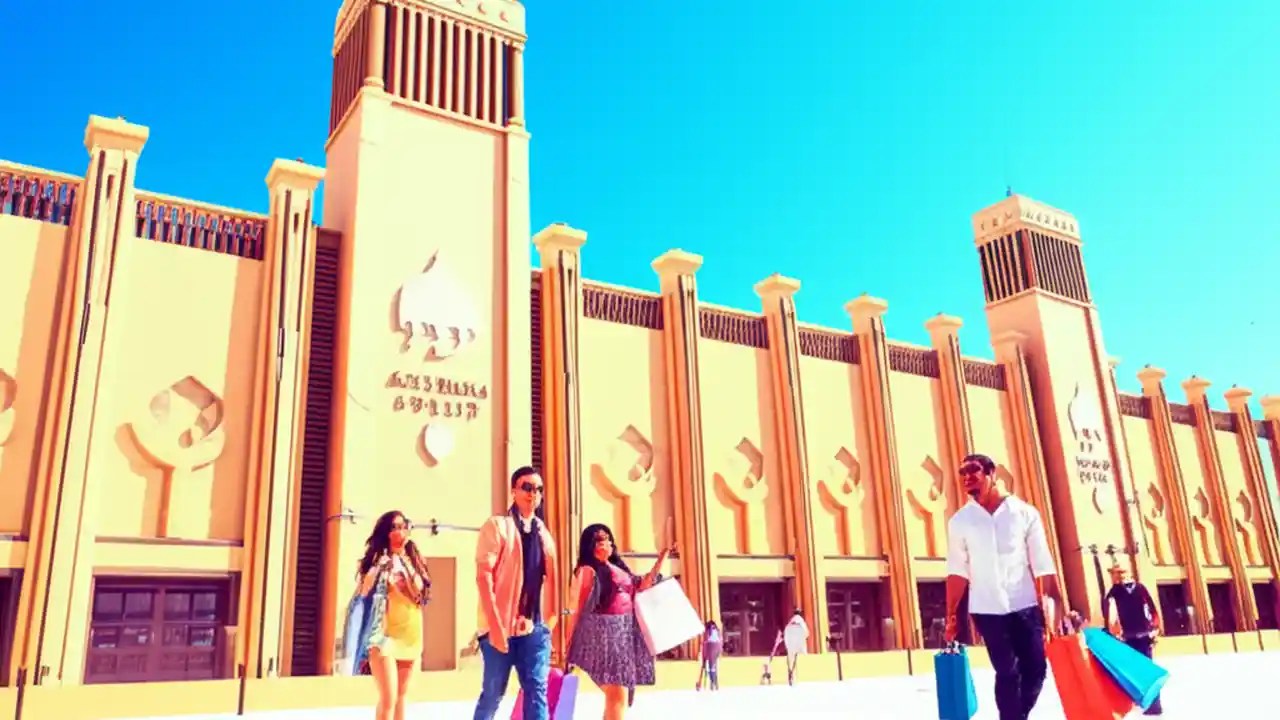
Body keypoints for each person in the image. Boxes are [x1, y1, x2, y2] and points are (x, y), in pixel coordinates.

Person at [945, 452, 1065, 720]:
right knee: (1006, 671)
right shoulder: (960, 522)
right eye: (962, 474)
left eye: (972, 471)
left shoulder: (1024, 514)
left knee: (1036, 669)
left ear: (992, 473)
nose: (966, 478)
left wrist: (1055, 609)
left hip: (1025, 605)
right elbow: (956, 571)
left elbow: (1042, 565)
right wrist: (951, 615)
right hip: (986, 609)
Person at [473, 467, 560, 720]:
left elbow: (553, 580)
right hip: (498, 628)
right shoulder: (497, 526)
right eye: (527, 487)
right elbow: (483, 576)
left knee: (536, 691)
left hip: (533, 630)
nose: (534, 494)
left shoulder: (544, 533)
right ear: (513, 491)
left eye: (539, 489)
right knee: (492, 694)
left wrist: (548, 624)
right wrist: (495, 626)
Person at [566, 522, 673, 720]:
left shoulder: (618, 568)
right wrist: (569, 646)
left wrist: (664, 554)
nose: (605, 542)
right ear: (590, 545)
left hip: (624, 635)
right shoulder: (588, 571)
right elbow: (577, 608)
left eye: (607, 538)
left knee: (617, 699)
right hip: (604, 636)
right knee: (617, 696)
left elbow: (644, 583)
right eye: (599, 539)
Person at [356, 510, 432, 720]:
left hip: (410, 634)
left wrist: (406, 564)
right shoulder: (379, 562)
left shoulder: (413, 560)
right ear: (386, 533)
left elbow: (420, 593)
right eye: (394, 527)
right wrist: (380, 567)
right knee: (388, 698)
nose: (400, 531)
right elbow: (363, 592)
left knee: (400, 699)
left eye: (403, 526)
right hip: (383, 636)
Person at [1104, 564, 1164, 716]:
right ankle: (1148, 703)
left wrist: (1154, 629)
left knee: (1139, 671)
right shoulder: (1122, 591)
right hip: (1135, 637)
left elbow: (1151, 610)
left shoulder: (1118, 591)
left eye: (1116, 574)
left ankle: (1152, 704)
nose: (1114, 577)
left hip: (1136, 637)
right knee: (1141, 671)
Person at [782, 610, 809, 686]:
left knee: (791, 662)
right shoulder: (801, 622)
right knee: (800, 661)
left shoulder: (790, 623)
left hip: (791, 645)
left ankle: (791, 677)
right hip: (800, 645)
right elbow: (806, 633)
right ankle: (798, 678)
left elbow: (785, 634)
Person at [698, 620, 723, 691]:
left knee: (710, 667)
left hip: (710, 648)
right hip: (717, 648)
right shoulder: (717, 631)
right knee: (713, 667)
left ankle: (712, 682)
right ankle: (715, 683)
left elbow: (706, 640)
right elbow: (720, 641)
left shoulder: (709, 631)